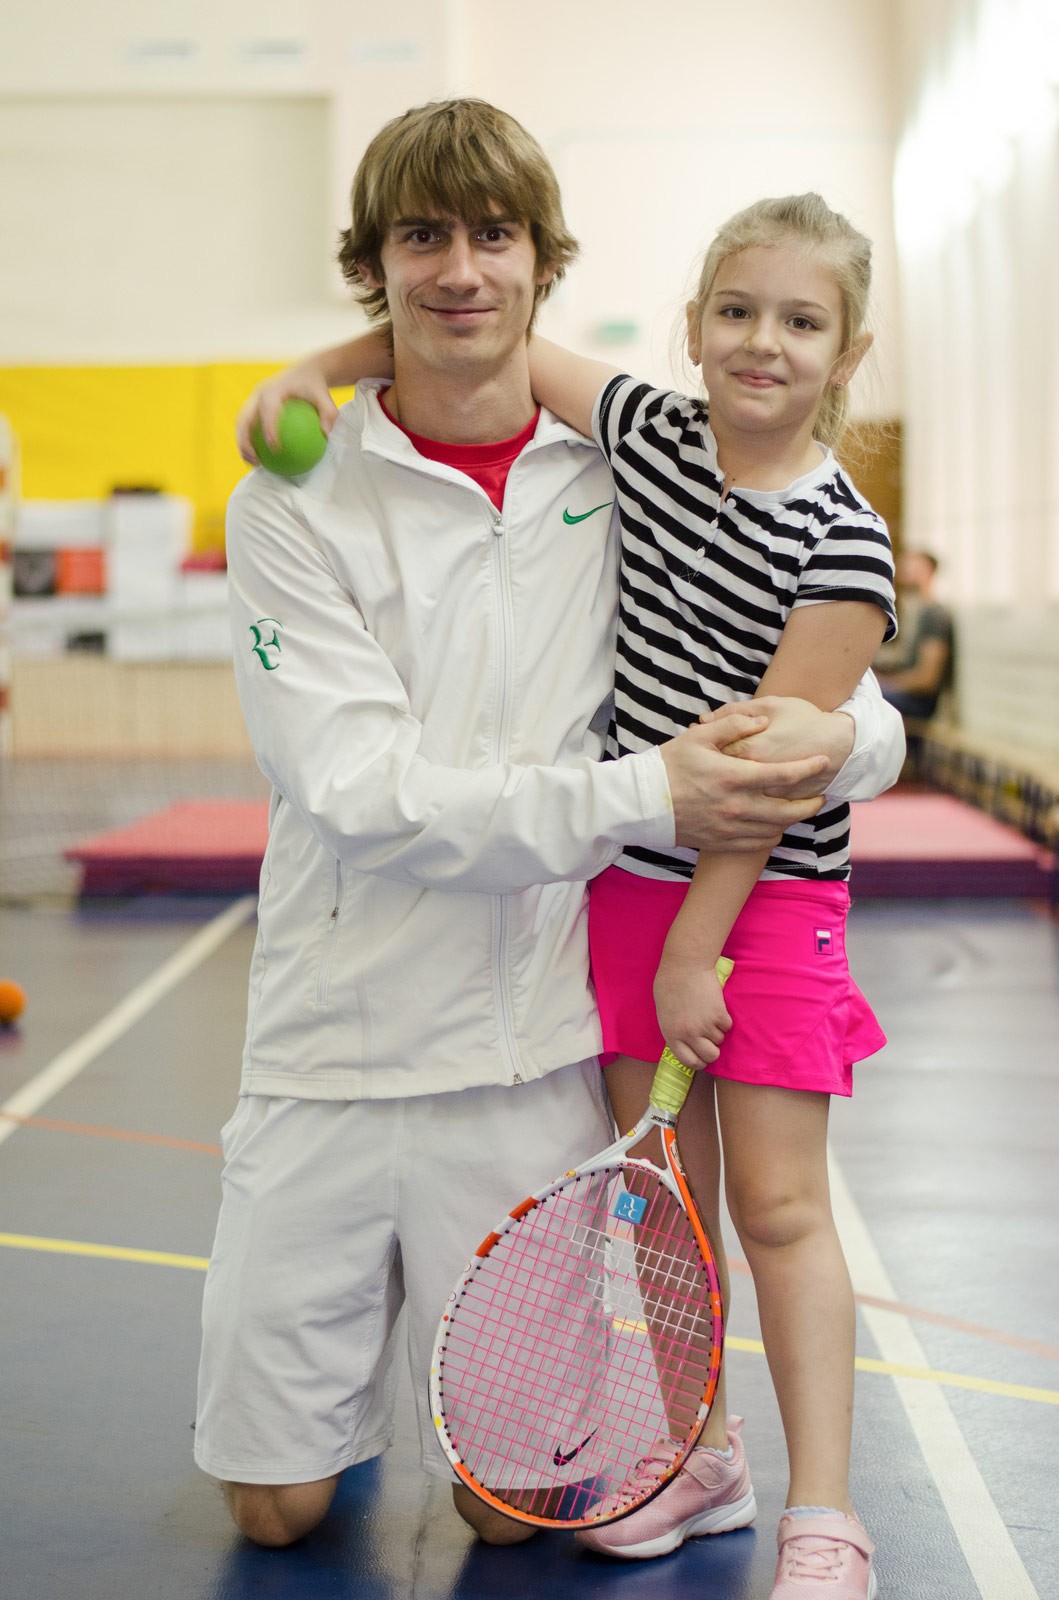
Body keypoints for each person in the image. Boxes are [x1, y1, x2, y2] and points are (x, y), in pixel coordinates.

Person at [209, 99, 904, 1567]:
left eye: (492, 236)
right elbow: (355, 789)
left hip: (529, 1048)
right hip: (327, 1049)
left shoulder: (620, 466)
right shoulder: (291, 494)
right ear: (374, 263)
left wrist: (855, 738)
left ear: (540, 262)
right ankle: (374, 1417)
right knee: (274, 1514)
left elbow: (815, 672)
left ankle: (786, 1498)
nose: (459, 269)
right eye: (419, 238)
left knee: (515, 1518)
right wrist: (653, 792)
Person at [876, 548, 954, 720]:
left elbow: (927, 679)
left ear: (927, 571)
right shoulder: (913, 613)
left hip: (918, 703)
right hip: (906, 694)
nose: (903, 571)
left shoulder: (933, 615)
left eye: (911, 567)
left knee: (865, 698)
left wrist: (886, 683)